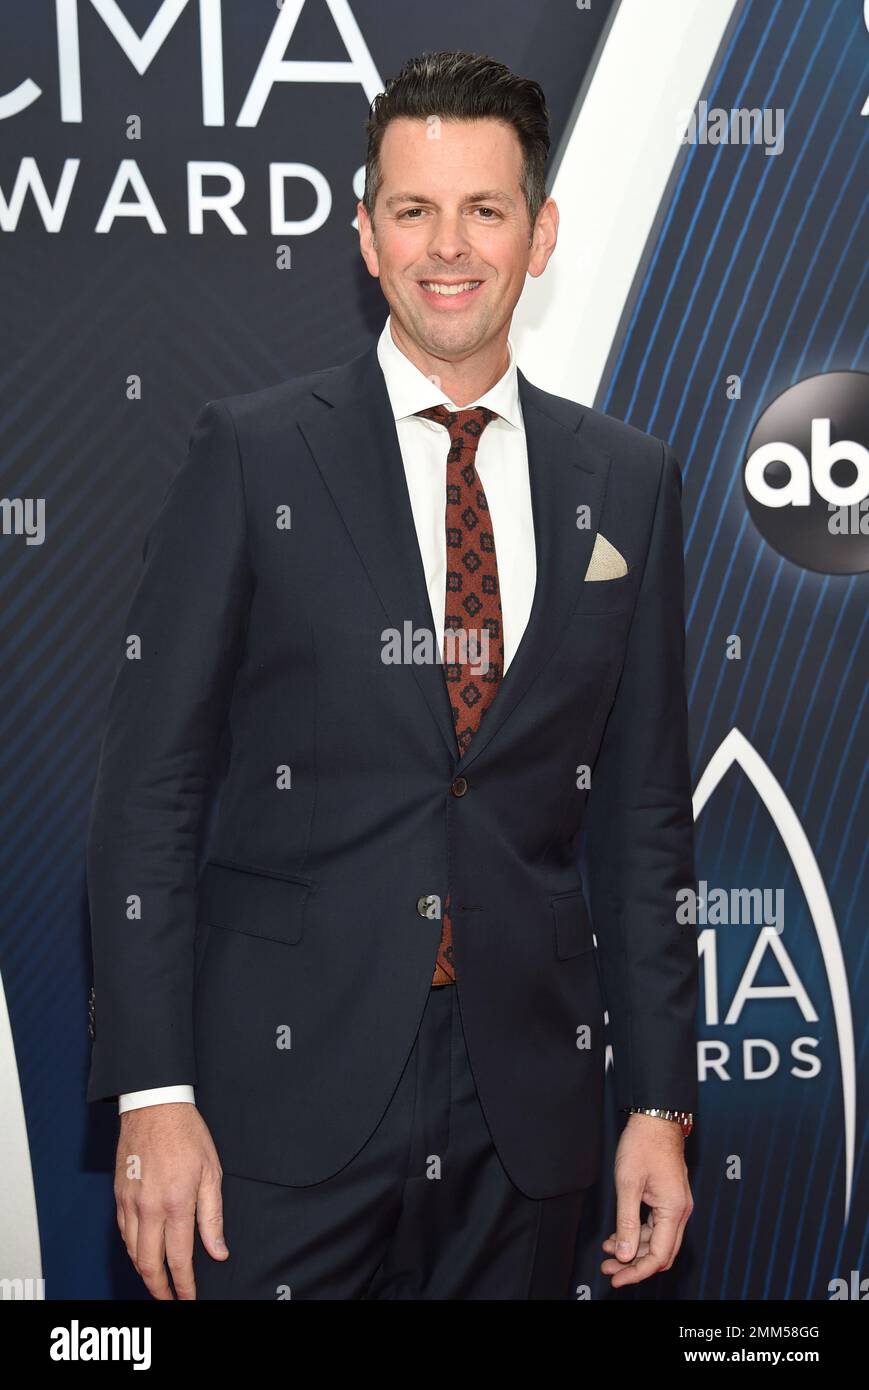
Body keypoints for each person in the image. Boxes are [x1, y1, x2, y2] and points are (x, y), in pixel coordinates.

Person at [86, 50, 698, 1301]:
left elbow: (640, 824)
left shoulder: (624, 480)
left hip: (523, 1112)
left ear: (540, 234)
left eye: (483, 208)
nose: (446, 246)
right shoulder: (253, 458)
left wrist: (656, 1100)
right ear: (365, 235)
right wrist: (153, 1090)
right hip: (274, 1107)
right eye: (411, 210)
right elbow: (147, 794)